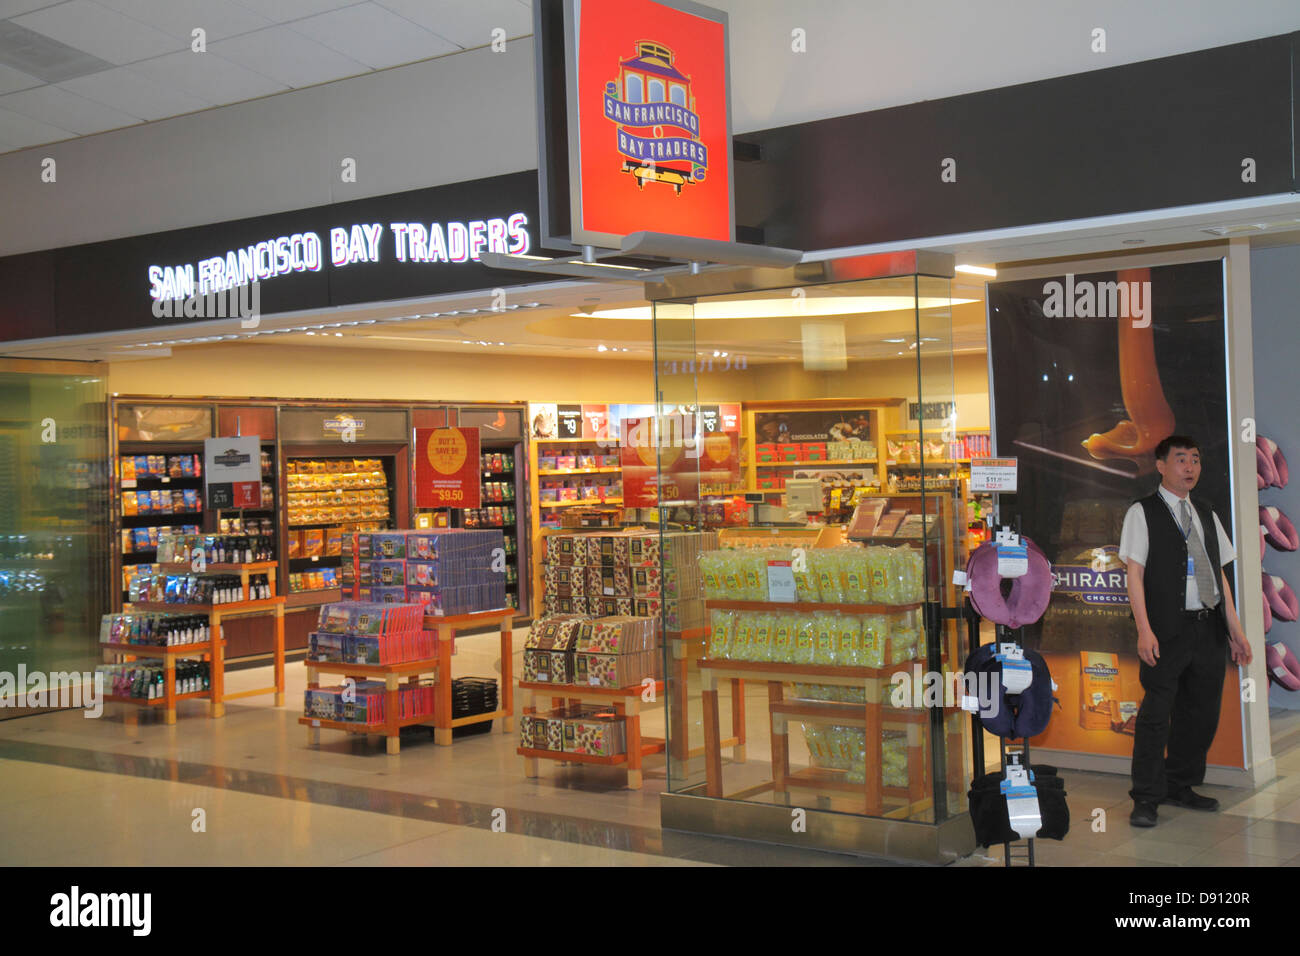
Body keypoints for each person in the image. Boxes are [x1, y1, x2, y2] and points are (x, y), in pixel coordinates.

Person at [1118, 435, 1252, 828]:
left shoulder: (1206, 513)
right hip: (1166, 630)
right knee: (1156, 716)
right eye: (1181, 460)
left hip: (1207, 628)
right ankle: (1145, 796)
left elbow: (1218, 575)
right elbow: (1134, 575)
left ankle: (1180, 784)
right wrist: (1144, 630)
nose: (1190, 467)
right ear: (1161, 465)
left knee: (1200, 715)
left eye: (1195, 459)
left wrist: (1236, 630)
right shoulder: (1142, 512)